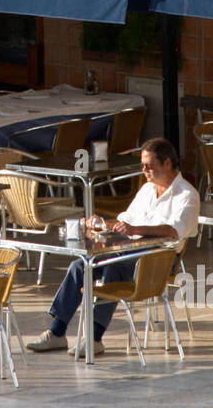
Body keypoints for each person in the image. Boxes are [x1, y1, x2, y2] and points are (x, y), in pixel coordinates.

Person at [26, 137, 199, 358]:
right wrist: (101, 223)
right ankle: (57, 332)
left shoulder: (187, 195)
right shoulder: (147, 190)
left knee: (112, 267)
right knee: (80, 266)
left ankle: (95, 338)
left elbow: (174, 230)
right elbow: (124, 220)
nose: (144, 170)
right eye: (142, 164)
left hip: (159, 259)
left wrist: (134, 228)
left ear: (167, 163)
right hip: (129, 251)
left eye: (149, 165)